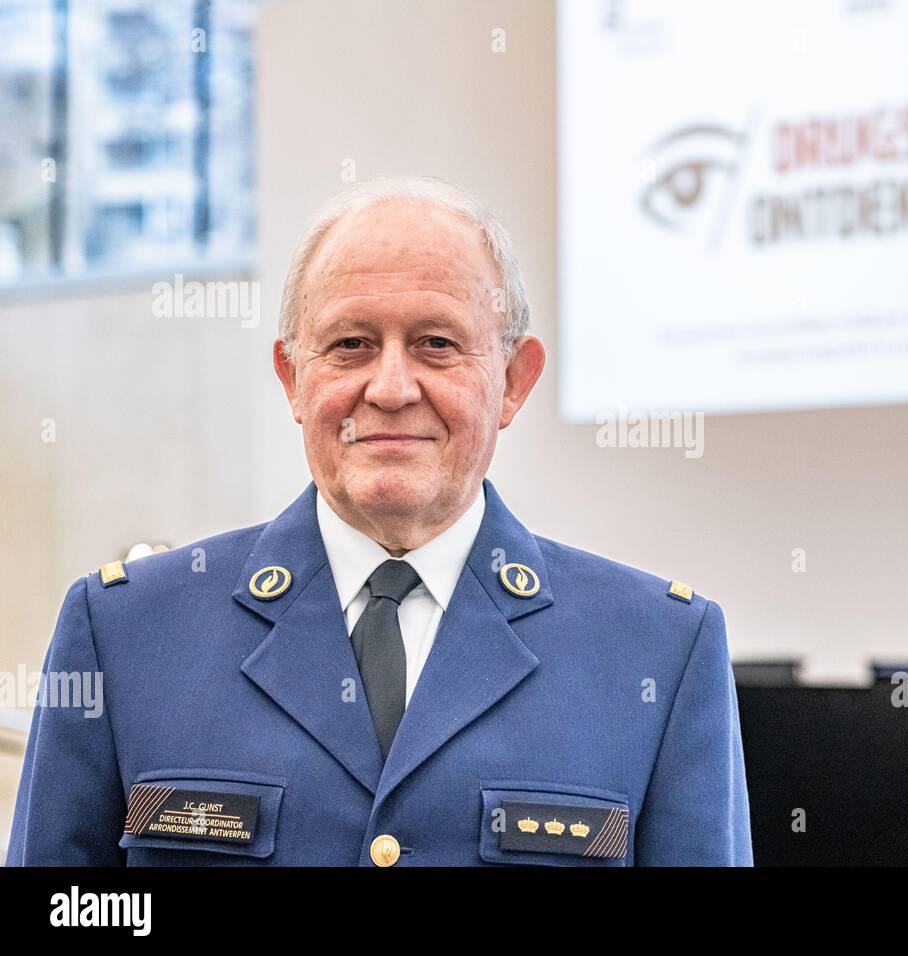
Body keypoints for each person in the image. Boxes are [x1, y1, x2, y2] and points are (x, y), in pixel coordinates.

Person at [6, 176, 752, 867]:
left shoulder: (658, 650)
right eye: (351, 344)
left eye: (436, 343)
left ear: (513, 382)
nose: (391, 388)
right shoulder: (128, 633)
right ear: (294, 378)